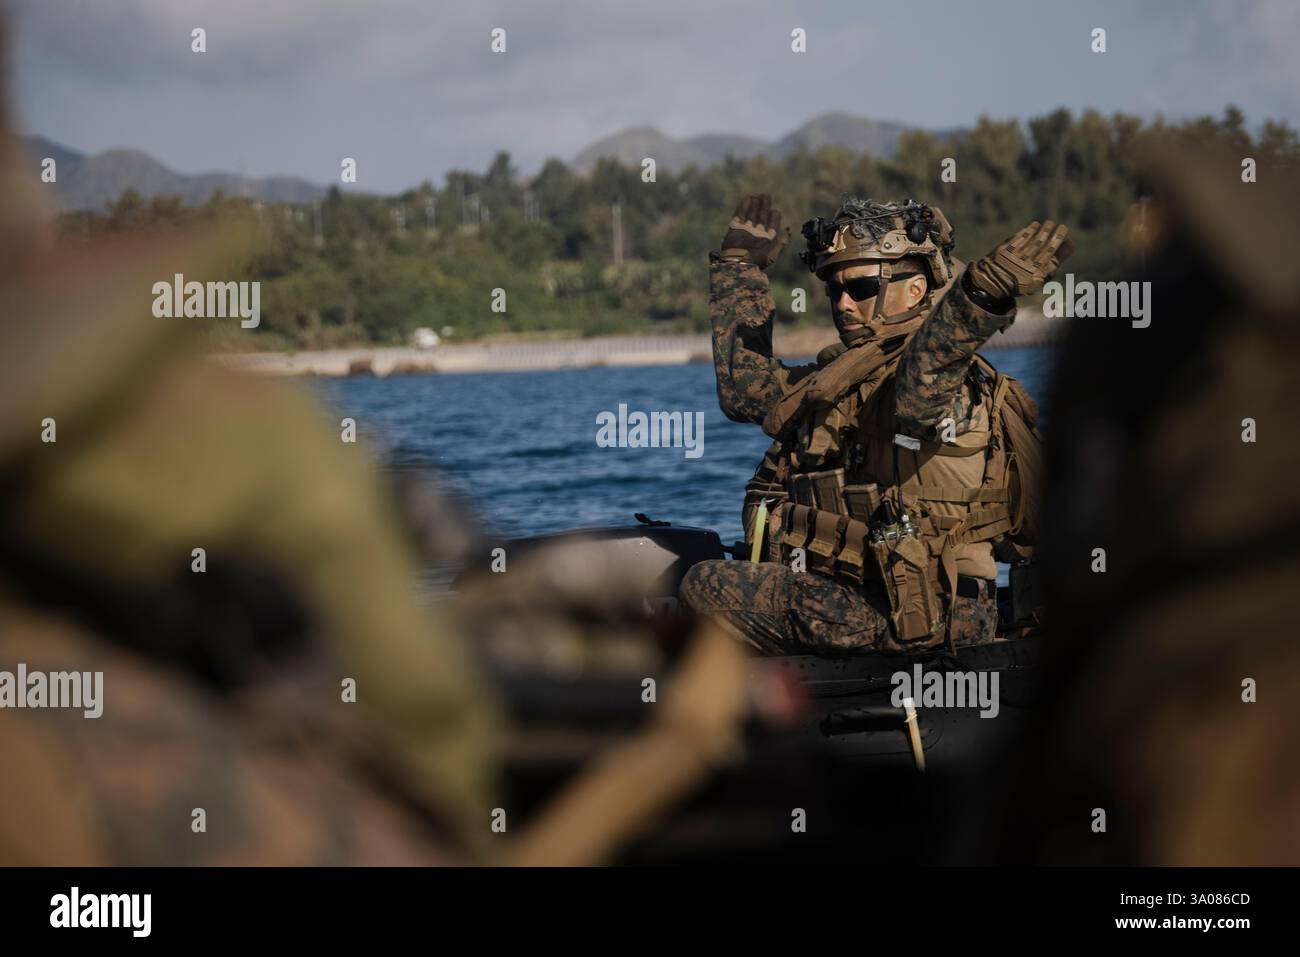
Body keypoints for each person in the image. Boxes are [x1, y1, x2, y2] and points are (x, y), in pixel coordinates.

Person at [680, 194, 1070, 655]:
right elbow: (749, 394)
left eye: (862, 288)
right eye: (834, 289)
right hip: (873, 600)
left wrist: (979, 297)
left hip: (928, 618)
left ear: (917, 290)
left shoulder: (947, 382)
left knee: (705, 583)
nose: (843, 304)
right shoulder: (848, 376)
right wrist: (738, 269)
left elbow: (919, 389)